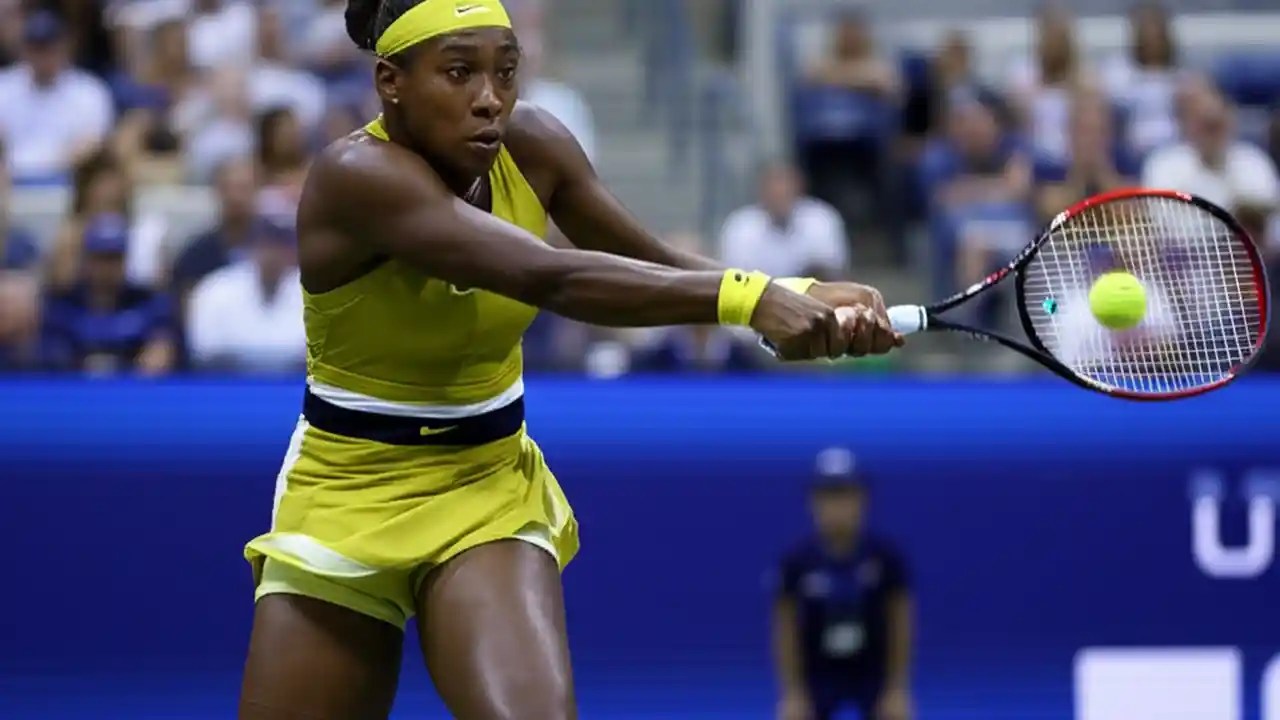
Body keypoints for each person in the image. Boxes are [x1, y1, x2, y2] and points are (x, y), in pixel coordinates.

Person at [237, 2, 903, 719]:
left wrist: (791, 294)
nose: (489, 97)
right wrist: (751, 299)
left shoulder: (532, 146)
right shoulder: (354, 176)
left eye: (506, 72)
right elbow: (551, 276)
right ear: (390, 81)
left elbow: (647, 259)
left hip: (485, 486)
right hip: (347, 492)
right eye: (459, 73)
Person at [773, 448, 913, 720]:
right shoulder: (797, 563)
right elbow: (785, 628)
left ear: (863, 500)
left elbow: (901, 622)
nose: (837, 507)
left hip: (871, 672)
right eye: (827, 497)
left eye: (845, 496)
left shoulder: (885, 559)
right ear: (812, 503)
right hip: (818, 674)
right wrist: (792, 692)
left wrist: (897, 688)